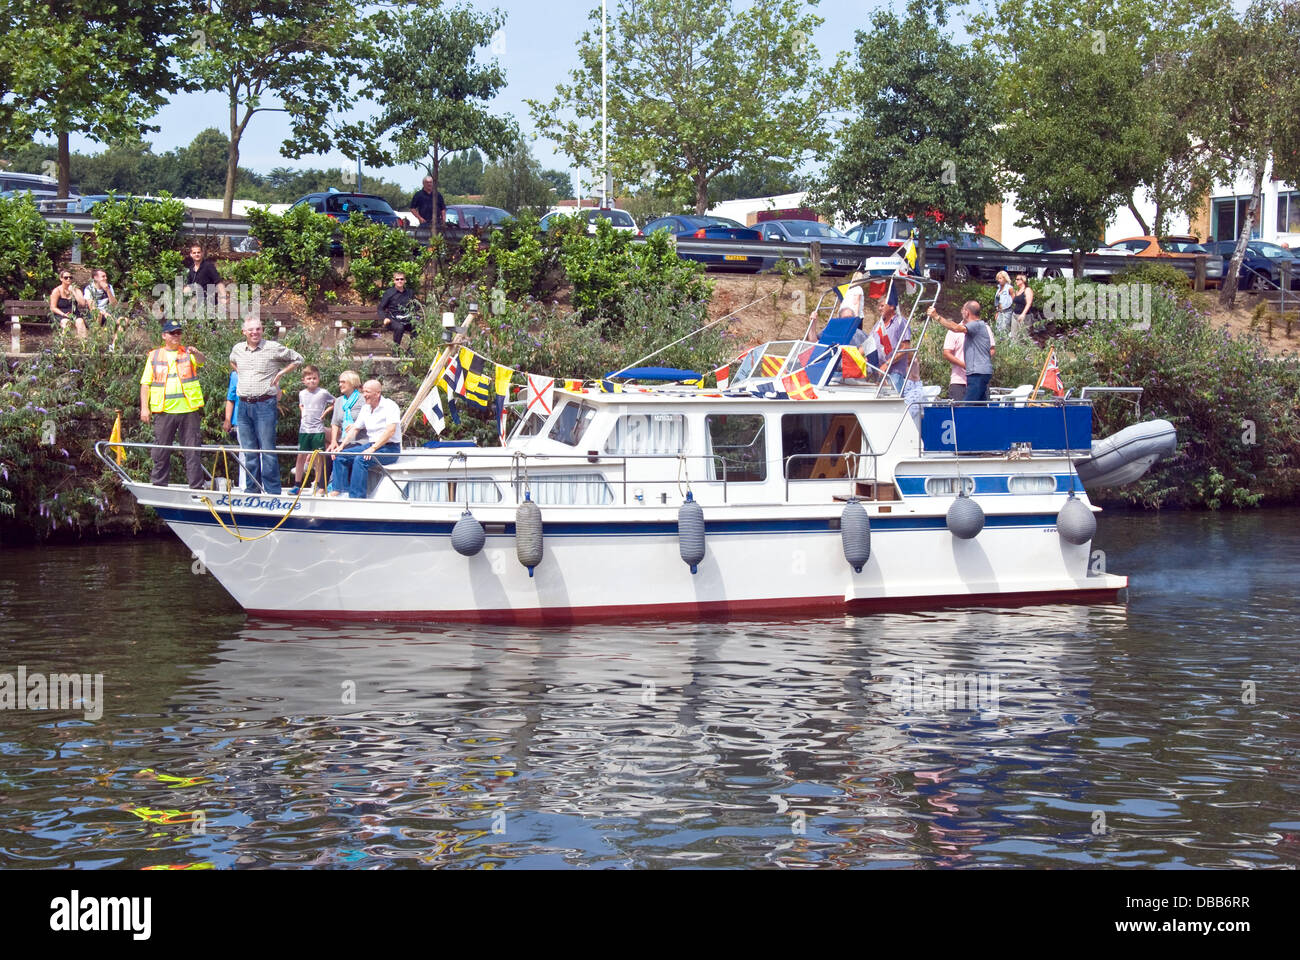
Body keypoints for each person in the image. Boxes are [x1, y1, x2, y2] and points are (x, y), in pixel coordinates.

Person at [229, 315, 304, 495]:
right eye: (251, 329)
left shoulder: (272, 347)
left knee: (267, 450)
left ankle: (272, 492)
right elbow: (232, 360)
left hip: (264, 405)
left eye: (258, 329)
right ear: (244, 332)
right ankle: (252, 489)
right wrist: (241, 373)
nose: (255, 332)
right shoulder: (238, 349)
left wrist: (281, 374)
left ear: (262, 330)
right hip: (244, 406)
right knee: (249, 451)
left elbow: (298, 359)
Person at [139, 319, 207, 488]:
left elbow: (200, 361)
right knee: (161, 450)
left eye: (178, 332)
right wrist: (144, 408)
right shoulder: (154, 356)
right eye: (172, 333)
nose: (177, 336)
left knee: (193, 451)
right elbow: (145, 384)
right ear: (164, 336)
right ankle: (159, 485)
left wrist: (197, 352)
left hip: (188, 410)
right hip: (163, 411)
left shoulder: (188, 353)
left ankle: (196, 487)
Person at [326, 379, 402, 499]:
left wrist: (373, 448)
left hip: (390, 449)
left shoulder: (390, 406)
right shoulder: (366, 408)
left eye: (367, 392)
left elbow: (390, 431)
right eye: (364, 391)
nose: (364, 395)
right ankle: (340, 491)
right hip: (371, 445)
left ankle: (357, 497)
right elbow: (355, 429)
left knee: (360, 459)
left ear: (377, 393)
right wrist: (341, 446)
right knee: (340, 455)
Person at [928, 301, 995, 401]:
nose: (961, 311)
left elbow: (955, 328)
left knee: (966, 408)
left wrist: (936, 316)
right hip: (976, 374)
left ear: (967, 312)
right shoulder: (979, 326)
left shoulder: (976, 325)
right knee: (980, 409)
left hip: (977, 373)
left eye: (963, 309)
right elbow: (947, 353)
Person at [292, 365, 334, 493]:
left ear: (318, 379)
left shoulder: (323, 393)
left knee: (318, 457)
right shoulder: (302, 393)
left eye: (314, 378)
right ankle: (297, 484)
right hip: (304, 430)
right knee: (301, 456)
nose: (312, 381)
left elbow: (335, 402)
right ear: (304, 380)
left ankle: (317, 482)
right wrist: (302, 412)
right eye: (309, 378)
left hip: (317, 430)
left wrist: (325, 412)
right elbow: (302, 405)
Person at [325, 370, 365, 495]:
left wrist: (357, 425)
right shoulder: (339, 401)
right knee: (327, 453)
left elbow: (369, 420)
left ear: (352, 383)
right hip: (343, 440)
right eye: (339, 382)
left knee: (341, 455)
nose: (340, 385)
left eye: (343, 382)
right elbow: (335, 423)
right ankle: (323, 487)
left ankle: (340, 489)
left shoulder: (363, 400)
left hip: (361, 440)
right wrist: (333, 442)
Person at [222, 371, 250, 490]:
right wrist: (227, 419)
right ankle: (244, 486)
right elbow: (231, 398)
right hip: (240, 419)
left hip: (261, 419)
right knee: (244, 453)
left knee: (262, 452)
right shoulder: (235, 375)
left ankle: (262, 486)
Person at [184, 243, 226, 316]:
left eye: (198, 252)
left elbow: (218, 282)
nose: (197, 254)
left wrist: (223, 297)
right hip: (196, 303)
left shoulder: (208, 266)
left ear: (202, 253)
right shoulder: (191, 269)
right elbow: (189, 285)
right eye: (194, 253)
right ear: (191, 254)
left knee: (209, 325)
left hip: (209, 302)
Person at [378, 271, 416, 346]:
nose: (399, 281)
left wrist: (414, 316)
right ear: (394, 281)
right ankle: (396, 351)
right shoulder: (389, 293)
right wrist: (384, 318)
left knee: (417, 327)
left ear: (405, 281)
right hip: (393, 320)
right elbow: (380, 308)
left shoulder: (410, 292)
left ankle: (411, 351)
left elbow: (415, 306)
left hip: (406, 319)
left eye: (401, 279)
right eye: (397, 279)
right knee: (399, 327)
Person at [49, 270, 88, 337]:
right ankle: (63, 344)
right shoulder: (57, 291)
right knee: (66, 322)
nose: (68, 279)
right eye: (66, 277)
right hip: (61, 314)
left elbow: (83, 304)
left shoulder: (76, 290)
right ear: (61, 279)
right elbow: (53, 307)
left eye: (70, 277)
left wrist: (73, 292)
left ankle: (83, 344)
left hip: (74, 314)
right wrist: (63, 314)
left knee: (80, 322)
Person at [1011, 273, 1034, 341]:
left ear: (1023, 280)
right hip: (1015, 315)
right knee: (1014, 336)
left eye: (1018, 279)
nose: (1016, 281)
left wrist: (1023, 314)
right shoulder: (1017, 291)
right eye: (1016, 279)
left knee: (1024, 336)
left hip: (1025, 316)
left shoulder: (1027, 290)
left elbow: (1029, 303)